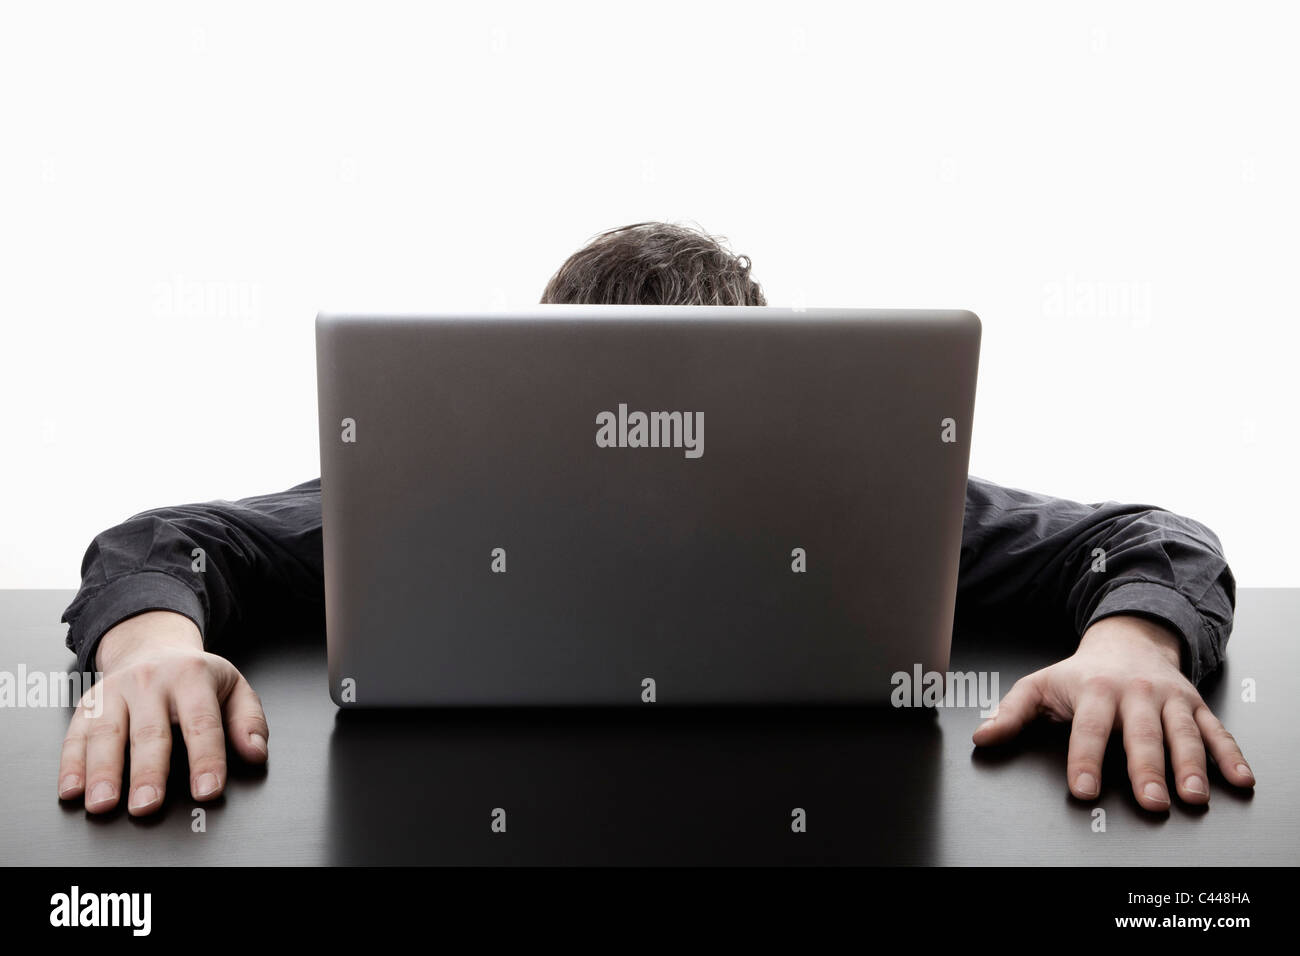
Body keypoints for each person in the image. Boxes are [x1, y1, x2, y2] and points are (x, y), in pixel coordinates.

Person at [56, 222, 1252, 819]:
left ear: (766, 408)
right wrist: (153, 644)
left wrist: (1130, 645)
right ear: (531, 409)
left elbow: (1151, 539)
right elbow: (159, 544)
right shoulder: (448, 492)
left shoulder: (850, 495)